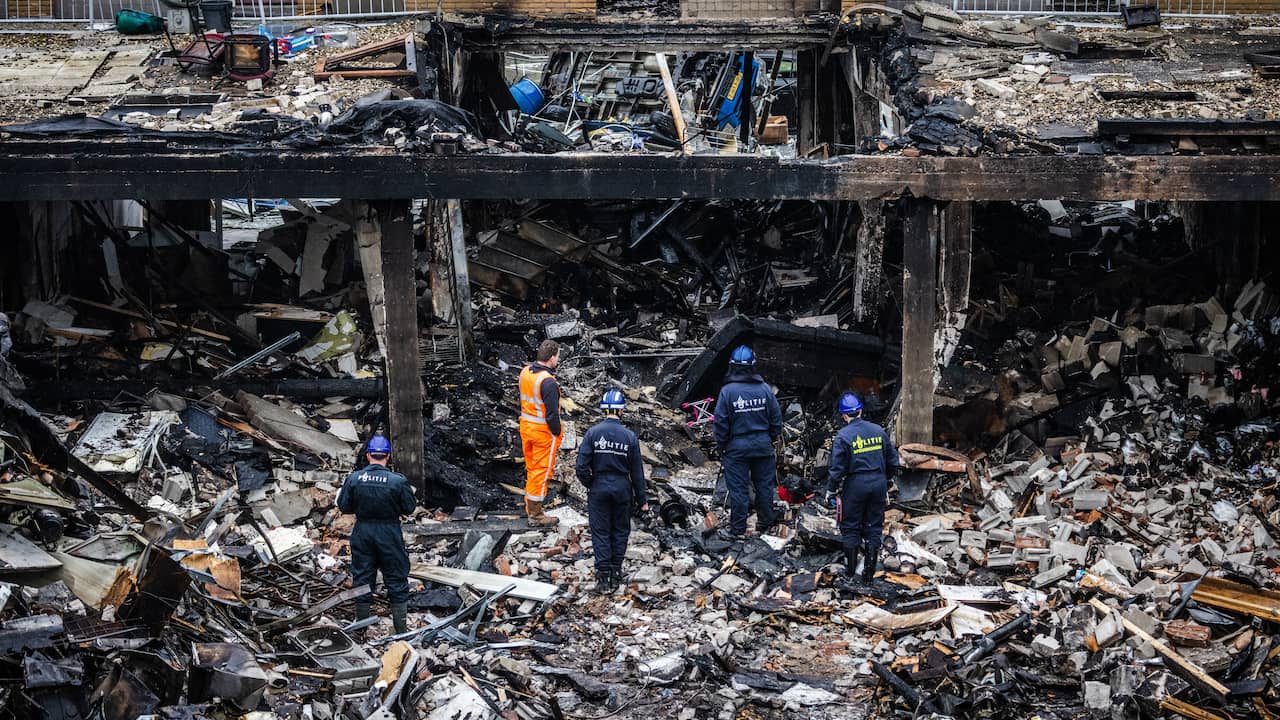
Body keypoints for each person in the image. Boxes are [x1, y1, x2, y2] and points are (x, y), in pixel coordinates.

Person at [336, 434, 418, 635]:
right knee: (396, 579)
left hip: (363, 531)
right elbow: (409, 508)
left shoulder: (355, 479)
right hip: (388, 532)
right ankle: (401, 632)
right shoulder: (397, 481)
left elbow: (344, 506)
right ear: (388, 456)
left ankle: (361, 630)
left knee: (362, 577)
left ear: (368, 455)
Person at [576, 389, 649, 593]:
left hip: (599, 487)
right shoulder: (630, 437)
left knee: (600, 531)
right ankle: (616, 573)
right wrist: (642, 500)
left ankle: (603, 577)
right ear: (621, 411)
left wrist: (591, 483)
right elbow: (637, 472)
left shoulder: (592, 433)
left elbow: (581, 466)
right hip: (622, 488)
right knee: (620, 530)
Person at [825, 393, 900, 584]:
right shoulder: (878, 431)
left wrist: (831, 490)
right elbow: (893, 460)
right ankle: (868, 575)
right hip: (878, 482)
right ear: (861, 411)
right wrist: (888, 479)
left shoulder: (843, 436)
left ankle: (850, 573)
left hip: (856, 484)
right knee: (874, 527)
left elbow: (837, 468)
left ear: (844, 416)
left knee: (850, 527)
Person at [713, 344, 782, 540]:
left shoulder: (728, 392)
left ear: (732, 366)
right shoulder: (765, 390)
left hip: (737, 449)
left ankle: (737, 530)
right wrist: (770, 438)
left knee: (739, 490)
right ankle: (766, 523)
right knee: (764, 487)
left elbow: (720, 423)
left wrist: (722, 445)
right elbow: (776, 420)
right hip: (763, 446)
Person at [519, 340, 564, 527]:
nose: (558, 359)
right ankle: (536, 515)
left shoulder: (525, 373)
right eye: (558, 356)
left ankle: (529, 507)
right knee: (541, 471)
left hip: (526, 427)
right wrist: (557, 432)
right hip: (542, 433)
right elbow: (552, 414)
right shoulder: (548, 382)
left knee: (531, 468)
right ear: (552, 357)